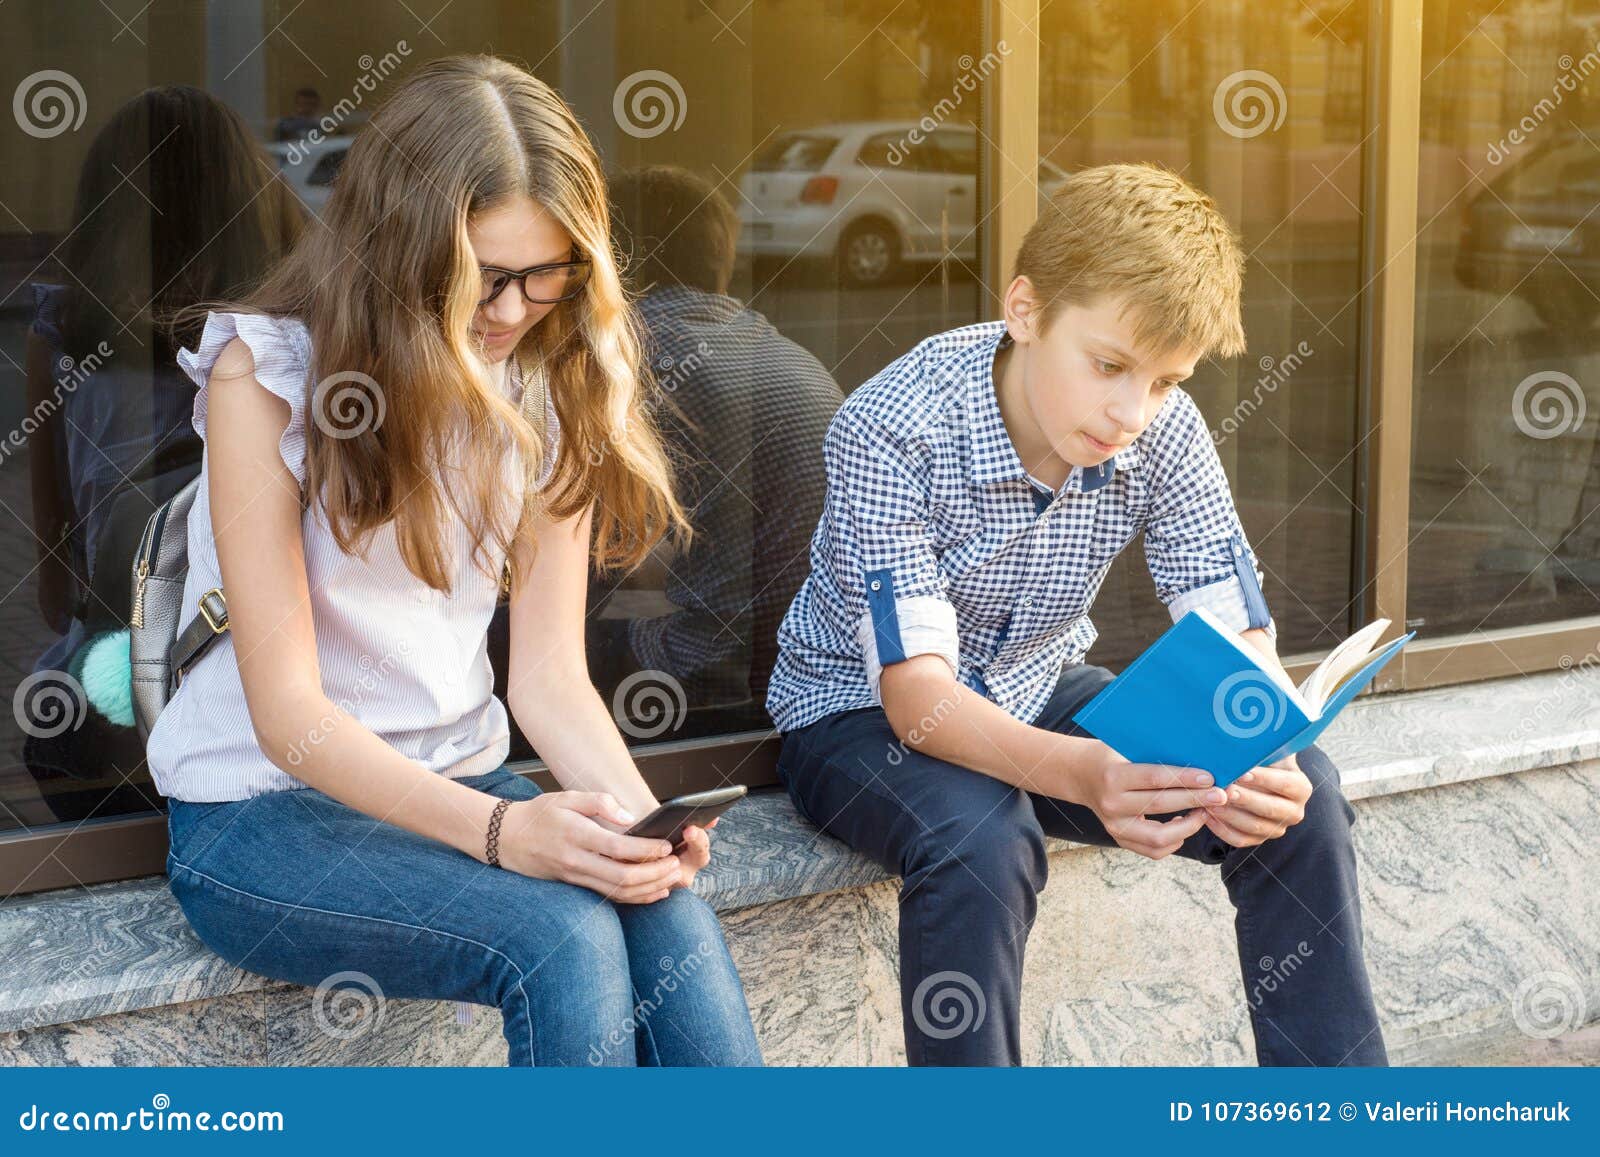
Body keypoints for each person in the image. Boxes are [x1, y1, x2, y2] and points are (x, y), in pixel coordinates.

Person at [154, 55, 761, 1067]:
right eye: (486, 274)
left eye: (547, 273)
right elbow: (290, 717)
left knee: (674, 923)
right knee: (560, 939)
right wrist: (498, 835)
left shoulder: (548, 373)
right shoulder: (265, 373)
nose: (516, 308)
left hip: (458, 777)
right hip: (262, 813)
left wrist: (641, 824)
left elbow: (551, 679)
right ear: (398, 247)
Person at [767, 162, 1387, 1067]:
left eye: (1166, 381)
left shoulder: (1159, 424)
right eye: (1109, 366)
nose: (1131, 411)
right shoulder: (890, 426)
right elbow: (918, 699)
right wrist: (1083, 774)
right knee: (984, 839)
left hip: (1035, 681)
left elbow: (1232, 618)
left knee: (1302, 801)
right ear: (1025, 310)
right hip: (857, 719)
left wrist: (1266, 745)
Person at [22, 85, 305, 819]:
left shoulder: (58, 336)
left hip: (115, 729)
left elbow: (57, 595)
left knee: (54, 722)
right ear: (250, 208)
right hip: (282, 734)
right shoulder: (285, 342)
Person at [586, 164, 842, 735]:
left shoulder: (635, 369)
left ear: (611, 268)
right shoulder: (797, 360)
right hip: (817, 683)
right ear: (722, 263)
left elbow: (588, 570)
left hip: (712, 688)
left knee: (515, 633)